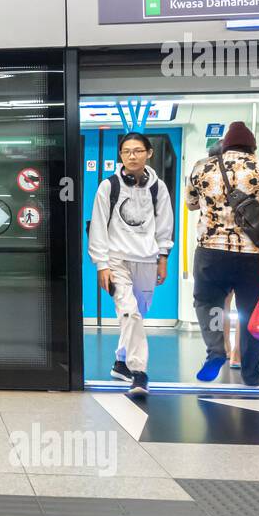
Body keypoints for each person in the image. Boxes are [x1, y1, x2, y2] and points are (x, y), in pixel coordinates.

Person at [187, 121, 259, 386]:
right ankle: (251, 374)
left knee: (208, 304)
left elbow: (191, 204)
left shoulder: (201, 166)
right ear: (252, 146)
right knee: (252, 313)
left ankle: (216, 351)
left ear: (225, 145)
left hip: (211, 252)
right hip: (254, 255)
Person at [87, 132, 174, 397]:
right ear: (121, 155)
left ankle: (120, 361)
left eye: (137, 150)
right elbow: (98, 227)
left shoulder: (158, 188)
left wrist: (163, 258)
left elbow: (164, 226)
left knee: (138, 314)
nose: (131, 156)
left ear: (149, 153)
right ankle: (139, 373)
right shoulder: (108, 186)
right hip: (117, 260)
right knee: (129, 312)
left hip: (147, 259)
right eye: (126, 151)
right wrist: (101, 264)